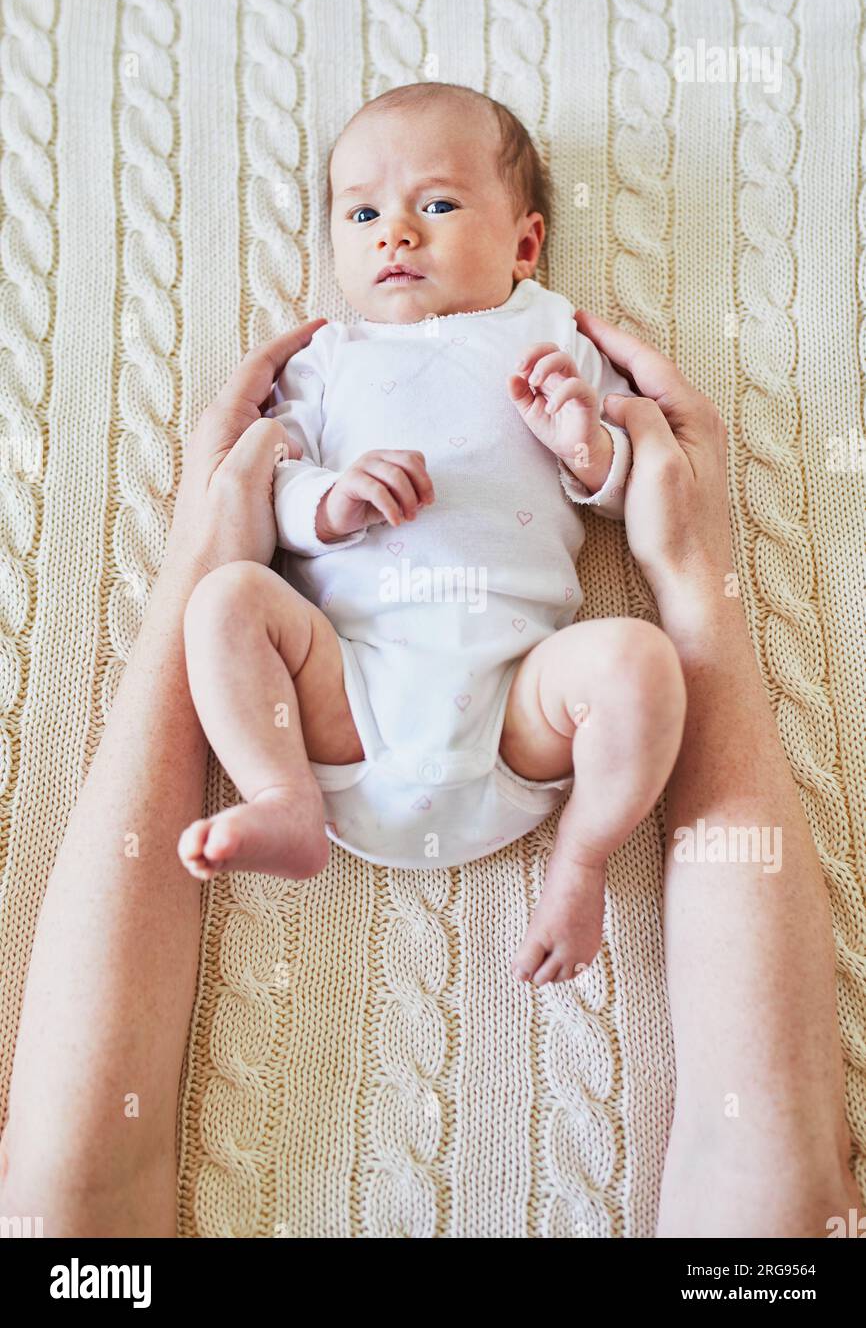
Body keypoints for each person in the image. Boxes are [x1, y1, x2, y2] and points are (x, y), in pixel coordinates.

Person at [0, 311, 859, 1238]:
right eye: (362, 217)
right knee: (232, 603)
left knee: (633, 667)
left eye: (440, 203)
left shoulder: (544, 334)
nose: (399, 234)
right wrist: (693, 569)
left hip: (509, 707)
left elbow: (605, 466)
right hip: (352, 697)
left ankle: (583, 856)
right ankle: (281, 795)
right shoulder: (333, 359)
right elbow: (285, 481)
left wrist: (588, 444)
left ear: (525, 236)